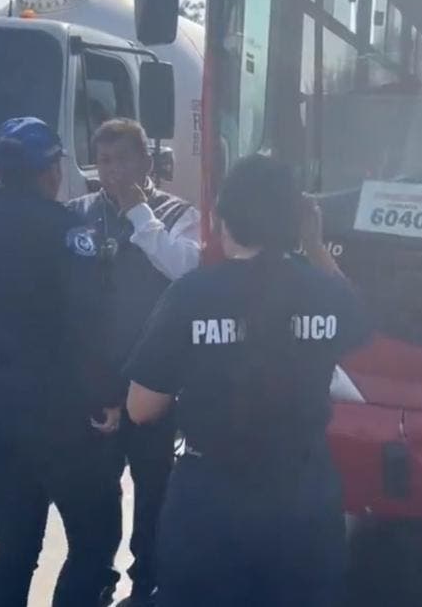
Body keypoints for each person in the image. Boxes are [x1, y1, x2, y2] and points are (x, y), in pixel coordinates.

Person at [123, 155, 370, 607]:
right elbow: (356, 321)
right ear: (294, 221)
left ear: (222, 218)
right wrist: (315, 247)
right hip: (303, 495)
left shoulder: (192, 294)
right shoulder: (322, 291)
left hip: (212, 497)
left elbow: (141, 407)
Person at [0, 117, 123, 607]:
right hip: (64, 408)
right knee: (93, 539)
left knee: (16, 541)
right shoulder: (69, 230)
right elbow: (92, 322)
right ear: (50, 169)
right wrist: (107, 397)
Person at [66, 118, 201, 607]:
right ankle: (97, 576)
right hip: (94, 385)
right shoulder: (77, 214)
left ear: (146, 161)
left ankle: (149, 582)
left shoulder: (177, 213)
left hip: (154, 383)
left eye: (123, 160)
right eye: (104, 161)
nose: (113, 172)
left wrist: (141, 214)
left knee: (154, 491)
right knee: (98, 495)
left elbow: (185, 269)